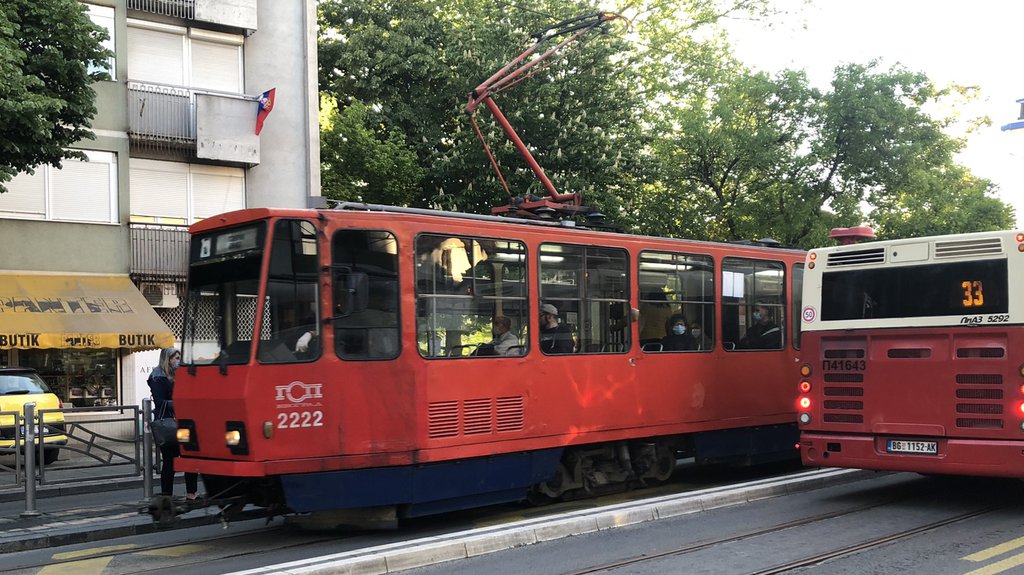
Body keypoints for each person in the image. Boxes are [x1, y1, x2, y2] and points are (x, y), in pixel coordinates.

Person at [148, 347, 198, 500]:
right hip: (168, 423)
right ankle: (167, 495)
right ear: (167, 359)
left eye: (179, 357)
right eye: (175, 358)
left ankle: (191, 493)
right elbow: (159, 401)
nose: (178, 360)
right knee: (170, 460)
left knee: (190, 457)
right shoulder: (157, 376)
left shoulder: (180, 374)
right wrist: (179, 403)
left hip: (184, 421)